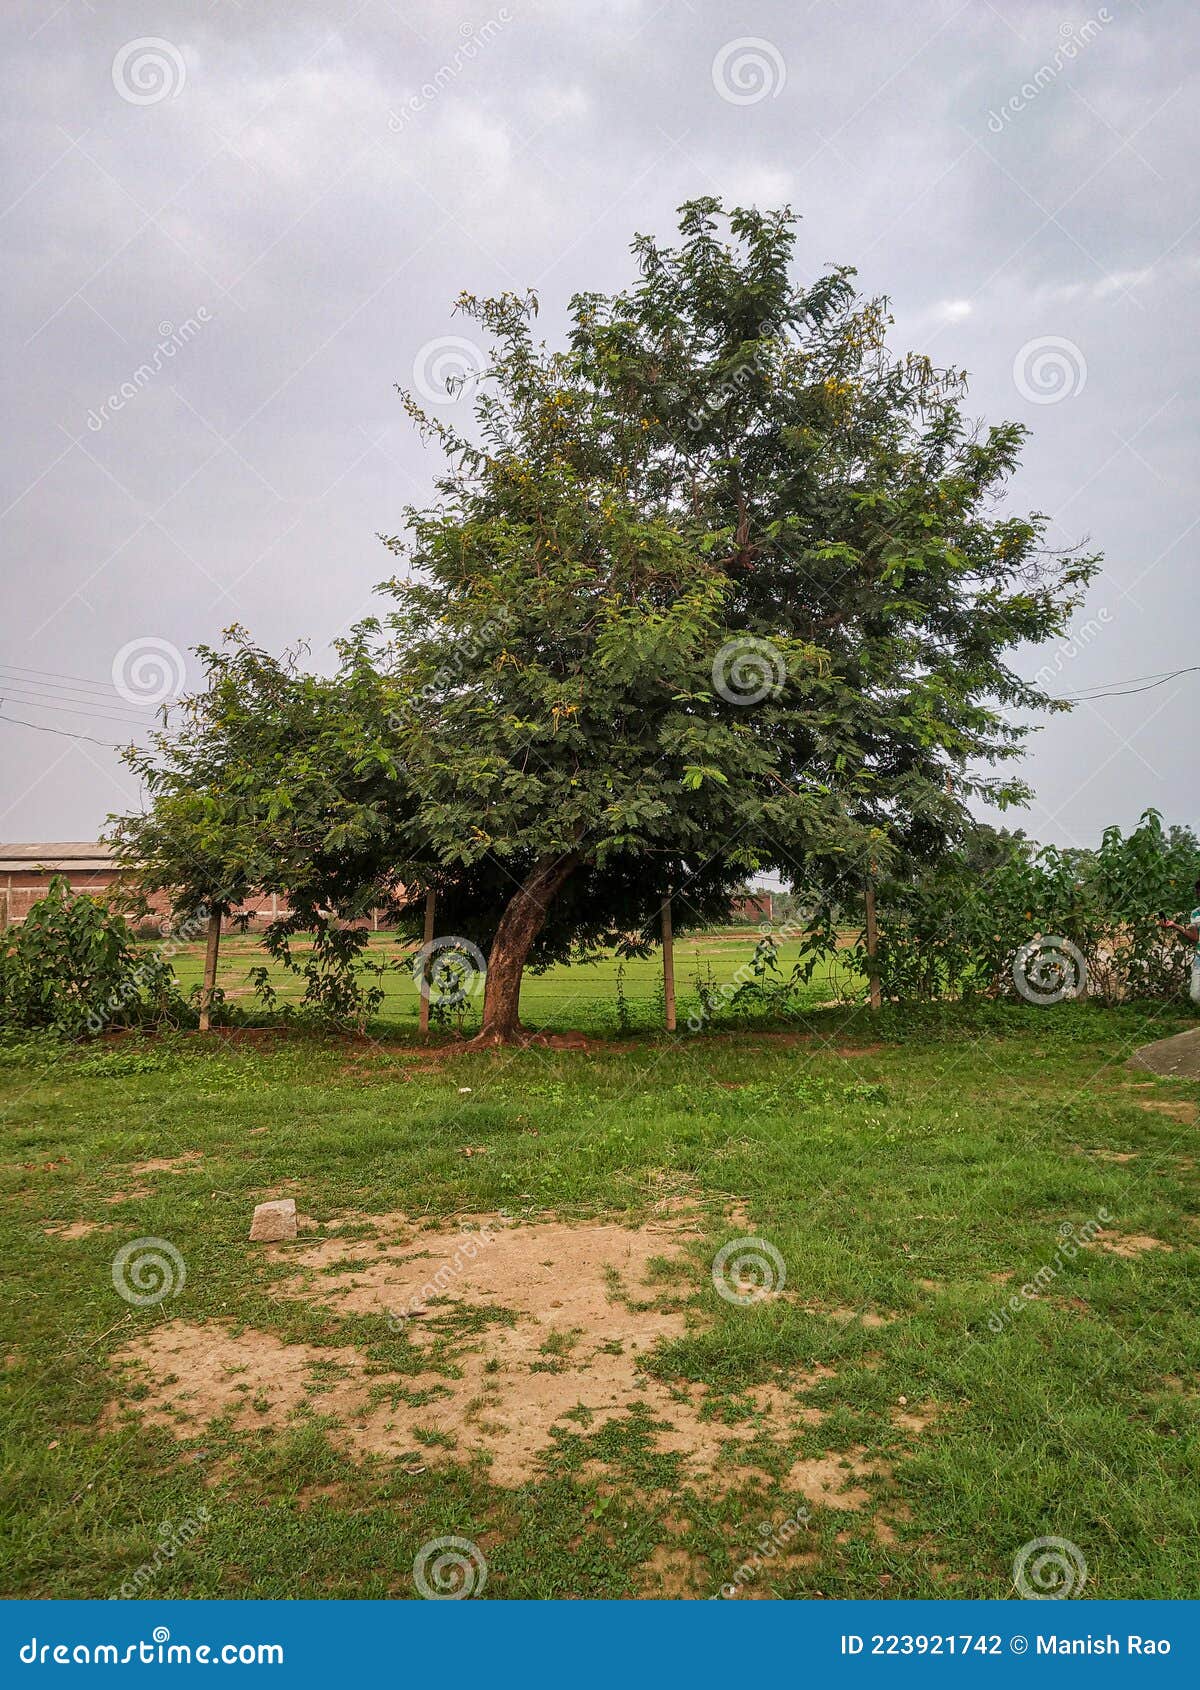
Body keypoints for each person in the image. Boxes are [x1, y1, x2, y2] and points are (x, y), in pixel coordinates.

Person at [1159, 878, 1200, 1006]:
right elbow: (1194, 937)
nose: (1198, 895)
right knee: (1195, 995)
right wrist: (1174, 925)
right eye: (1197, 892)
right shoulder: (1195, 913)